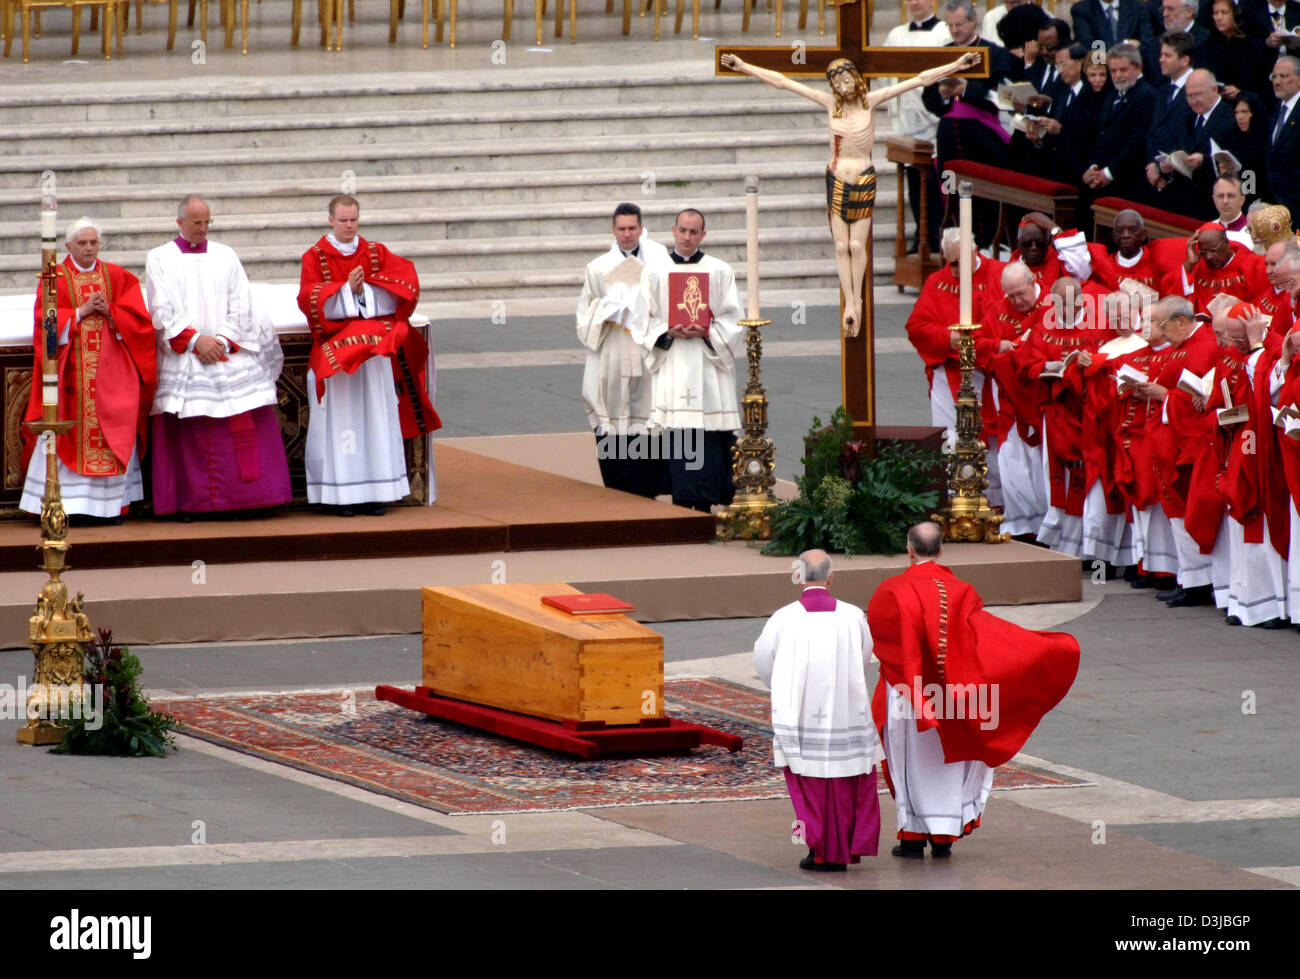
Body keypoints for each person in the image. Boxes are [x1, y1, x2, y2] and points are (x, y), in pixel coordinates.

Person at [722, 41, 982, 337]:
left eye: (846, 79)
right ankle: (849, 302)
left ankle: (855, 300)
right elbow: (784, 82)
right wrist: (744, 67)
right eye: (836, 82)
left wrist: (957, 66)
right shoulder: (828, 104)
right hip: (836, 177)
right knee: (840, 246)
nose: (842, 86)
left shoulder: (870, 101)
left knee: (856, 246)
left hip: (863, 178)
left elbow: (920, 79)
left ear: (855, 79)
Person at [867, 522, 1080, 858]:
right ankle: (944, 839)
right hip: (955, 694)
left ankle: (912, 838)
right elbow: (980, 640)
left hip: (909, 696)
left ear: (909, 550)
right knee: (947, 761)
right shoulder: (962, 591)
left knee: (912, 763)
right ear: (940, 551)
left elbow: (880, 639)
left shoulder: (890, 591)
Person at [146, 195, 291, 517]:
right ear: (179, 222)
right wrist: (196, 340)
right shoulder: (160, 258)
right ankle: (191, 502)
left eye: (207, 222)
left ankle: (249, 500)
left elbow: (242, 303)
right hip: (187, 353)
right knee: (191, 428)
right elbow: (161, 308)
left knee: (245, 422)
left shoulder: (226, 256)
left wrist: (222, 341)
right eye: (196, 222)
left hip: (226, 351)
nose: (202, 228)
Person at [297, 194, 440, 516]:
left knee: (375, 418)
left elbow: (405, 287)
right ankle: (341, 496)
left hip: (374, 354)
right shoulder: (315, 257)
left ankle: (376, 490)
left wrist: (366, 292)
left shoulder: (376, 252)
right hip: (337, 353)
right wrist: (346, 292)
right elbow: (308, 299)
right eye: (344, 220)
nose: (350, 226)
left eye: (354, 219)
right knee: (342, 421)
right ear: (330, 220)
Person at [752, 549, 884, 872]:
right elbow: (866, 657)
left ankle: (820, 848)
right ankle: (840, 849)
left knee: (809, 779)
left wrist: (782, 687)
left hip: (801, 712)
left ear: (799, 576)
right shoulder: (854, 615)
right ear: (831, 577)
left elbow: (763, 662)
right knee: (846, 780)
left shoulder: (783, 618)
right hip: (845, 709)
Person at [19, 218, 156, 521]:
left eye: (94, 242)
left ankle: (108, 508)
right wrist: (81, 312)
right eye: (83, 243)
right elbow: (45, 326)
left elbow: (142, 326)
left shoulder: (118, 277)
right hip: (70, 379)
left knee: (114, 430)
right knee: (68, 433)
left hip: (112, 380)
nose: (90, 248)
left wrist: (112, 312)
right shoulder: (54, 278)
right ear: (68, 246)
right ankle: (67, 507)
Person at [634, 208, 744, 512]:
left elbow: (733, 318)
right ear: (673, 230)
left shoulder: (719, 270)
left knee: (708, 436)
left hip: (708, 365)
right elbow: (641, 319)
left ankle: (707, 500)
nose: (687, 237)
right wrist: (666, 332)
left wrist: (708, 332)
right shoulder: (654, 271)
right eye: (682, 230)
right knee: (678, 433)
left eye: (694, 232)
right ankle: (682, 501)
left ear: (703, 235)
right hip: (673, 362)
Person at [576, 202, 670, 498]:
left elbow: (668, 304)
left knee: (647, 416)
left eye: (632, 228)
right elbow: (583, 319)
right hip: (612, 351)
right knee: (613, 415)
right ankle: (617, 487)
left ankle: (647, 488)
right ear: (613, 230)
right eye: (622, 228)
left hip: (645, 352)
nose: (627, 234)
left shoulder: (660, 262)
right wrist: (607, 309)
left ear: (641, 229)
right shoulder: (598, 267)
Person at [883, 0, 952, 255]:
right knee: (914, 183)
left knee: (938, 183)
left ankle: (941, 234)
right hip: (906, 119)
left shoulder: (944, 32)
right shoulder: (896, 35)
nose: (915, 2)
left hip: (934, 119)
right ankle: (920, 233)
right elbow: (884, 72)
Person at [1083, 44, 1159, 203]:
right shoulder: (1112, 94)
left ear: (1139, 67)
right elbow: (1101, 135)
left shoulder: (1146, 95)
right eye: (1113, 71)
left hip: (1127, 183)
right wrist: (1093, 167)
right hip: (1103, 180)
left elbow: (1136, 142)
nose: (1117, 76)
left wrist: (1109, 172)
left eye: (1123, 70)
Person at [1265, 56, 1300, 221]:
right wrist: (1249, 194)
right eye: (1274, 76)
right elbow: (1258, 160)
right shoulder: (1275, 110)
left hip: (1295, 208)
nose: (1277, 81)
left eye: (1283, 76)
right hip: (1271, 206)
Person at [1210, 175, 1253, 247]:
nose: (1225, 201)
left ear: (1242, 199)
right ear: (1214, 199)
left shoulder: (1254, 232)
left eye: (1230, 196)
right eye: (1220, 196)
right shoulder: (1207, 230)